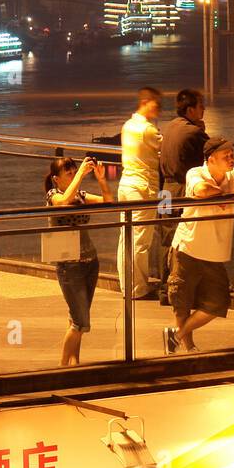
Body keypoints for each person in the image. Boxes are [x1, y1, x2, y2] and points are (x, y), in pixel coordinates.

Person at [164, 138, 234, 354]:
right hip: (188, 248)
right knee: (182, 301)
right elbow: (200, 190)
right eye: (226, 156)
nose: (232, 159)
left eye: (231, 154)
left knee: (218, 302)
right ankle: (188, 347)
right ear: (211, 159)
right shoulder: (196, 173)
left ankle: (177, 335)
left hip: (215, 254)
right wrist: (228, 195)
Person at [45, 155, 113, 366]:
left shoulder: (81, 195)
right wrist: (82, 174)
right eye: (69, 173)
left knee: (76, 317)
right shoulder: (53, 195)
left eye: (75, 172)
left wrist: (102, 180)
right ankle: (63, 367)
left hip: (90, 260)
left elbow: (108, 202)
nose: (75, 176)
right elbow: (63, 202)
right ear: (56, 179)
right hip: (68, 264)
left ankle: (75, 362)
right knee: (80, 321)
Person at [158, 88, 209, 303]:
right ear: (191, 109)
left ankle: (163, 288)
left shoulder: (170, 127)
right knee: (184, 241)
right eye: (200, 105)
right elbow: (212, 153)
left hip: (164, 192)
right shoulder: (194, 133)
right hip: (181, 190)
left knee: (165, 240)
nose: (204, 108)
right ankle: (181, 289)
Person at [117, 86, 162, 300]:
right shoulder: (148, 129)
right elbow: (166, 149)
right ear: (146, 102)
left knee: (125, 237)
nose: (159, 108)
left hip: (126, 185)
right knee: (140, 240)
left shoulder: (127, 125)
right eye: (156, 103)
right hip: (142, 187)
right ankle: (138, 289)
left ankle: (127, 286)